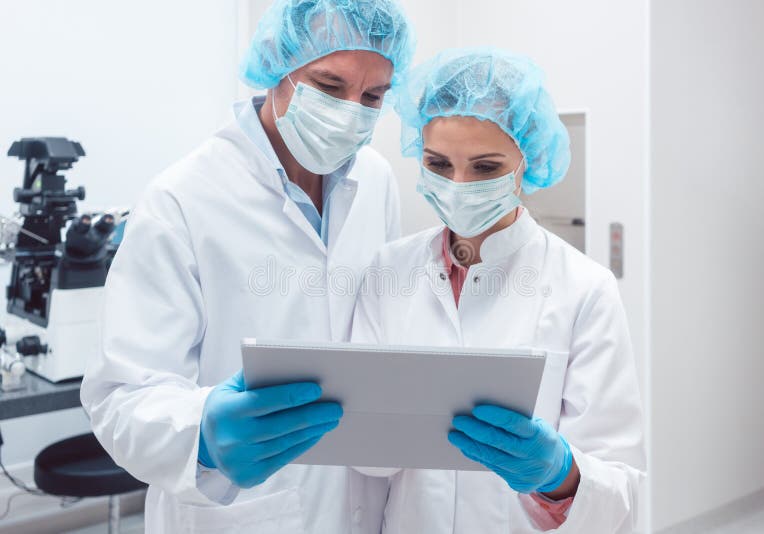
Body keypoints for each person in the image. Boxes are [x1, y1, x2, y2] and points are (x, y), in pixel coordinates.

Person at [80, 1, 414, 533]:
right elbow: (122, 397)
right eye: (329, 86)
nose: (351, 110)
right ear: (277, 69)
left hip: (362, 502)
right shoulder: (182, 198)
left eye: (372, 96)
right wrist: (204, 437)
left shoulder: (375, 181)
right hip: (240, 510)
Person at [351, 48, 646, 533]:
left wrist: (559, 475)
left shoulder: (585, 289)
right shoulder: (390, 270)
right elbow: (369, 456)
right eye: (438, 164)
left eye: (485, 167)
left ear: (526, 161)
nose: (459, 184)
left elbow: (617, 490)